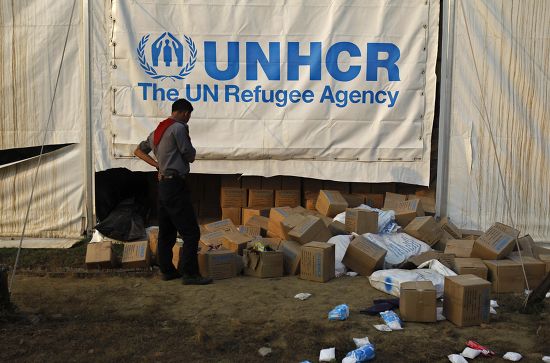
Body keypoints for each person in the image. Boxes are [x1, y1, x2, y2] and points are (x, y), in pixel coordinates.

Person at [134, 99, 212, 285]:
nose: (188, 119)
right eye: (189, 116)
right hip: (176, 185)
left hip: (163, 186)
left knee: (167, 231)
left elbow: (138, 151)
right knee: (191, 232)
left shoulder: (158, 130)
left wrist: (157, 165)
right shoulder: (179, 128)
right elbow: (189, 155)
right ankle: (190, 274)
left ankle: (167, 270)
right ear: (185, 113)